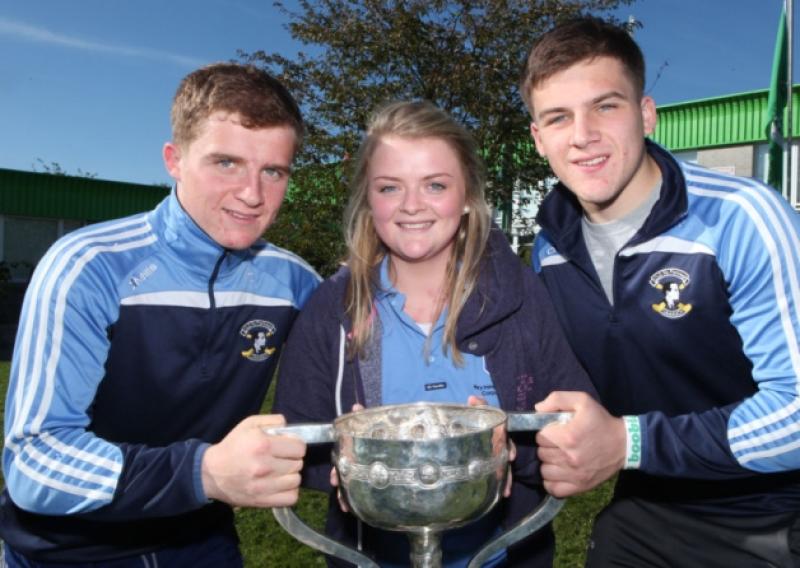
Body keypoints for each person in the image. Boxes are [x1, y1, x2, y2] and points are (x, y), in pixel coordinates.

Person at [0, 62, 322, 566]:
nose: (252, 194)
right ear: (174, 160)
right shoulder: (89, 267)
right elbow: (34, 464)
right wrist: (206, 471)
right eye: (226, 163)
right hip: (68, 552)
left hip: (202, 542)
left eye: (273, 171)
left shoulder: (296, 282)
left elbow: (364, 381)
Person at [521, 16, 800, 566]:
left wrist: (629, 442)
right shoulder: (548, 247)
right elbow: (576, 387)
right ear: (538, 139)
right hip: (647, 506)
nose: (582, 136)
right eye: (558, 117)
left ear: (646, 114)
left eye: (606, 106)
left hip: (773, 513)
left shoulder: (742, 217)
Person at [272, 100, 594, 567]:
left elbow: (574, 427)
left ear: (466, 196)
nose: (411, 206)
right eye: (389, 187)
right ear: (369, 198)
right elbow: (296, 445)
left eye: (435, 185)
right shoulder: (332, 308)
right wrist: (349, 459)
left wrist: (508, 456)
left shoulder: (521, 296)